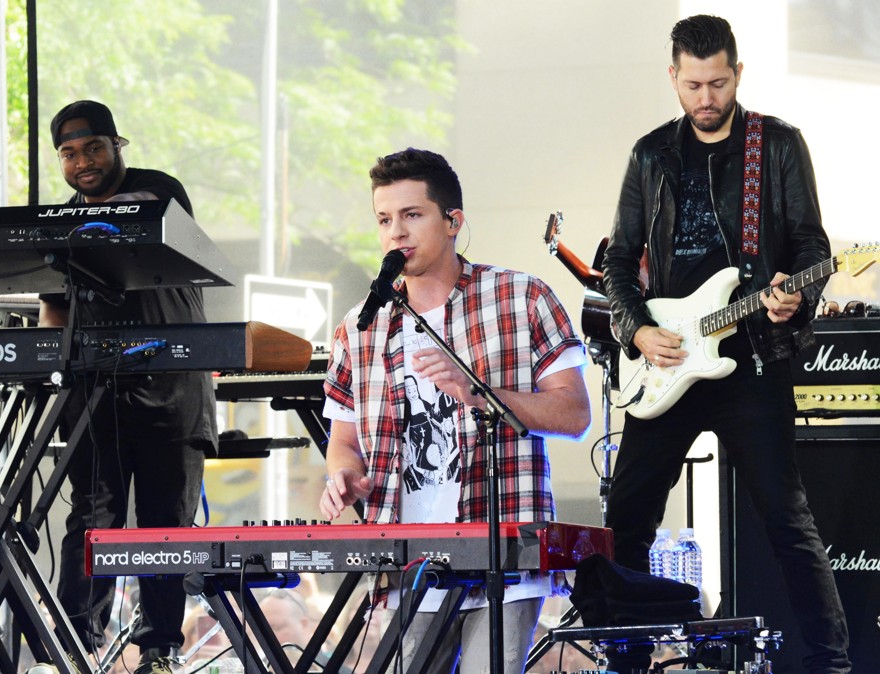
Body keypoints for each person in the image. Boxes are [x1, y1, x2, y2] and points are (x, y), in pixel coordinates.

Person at [602, 15, 851, 674]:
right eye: (693, 85)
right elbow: (620, 263)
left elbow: (810, 246)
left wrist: (795, 295)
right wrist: (636, 328)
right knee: (626, 515)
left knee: (786, 521)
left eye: (717, 83)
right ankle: (623, 659)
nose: (706, 99)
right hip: (669, 362)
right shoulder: (651, 153)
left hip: (751, 361)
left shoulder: (778, 144)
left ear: (737, 74)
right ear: (674, 78)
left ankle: (831, 663)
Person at [318, 148, 591, 674]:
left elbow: (575, 414)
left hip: (503, 552)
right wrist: (344, 476)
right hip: (406, 560)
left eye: (412, 215)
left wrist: (479, 394)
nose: (396, 232)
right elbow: (344, 441)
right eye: (384, 219)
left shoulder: (521, 296)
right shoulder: (360, 325)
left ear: (453, 221)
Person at [40, 100, 218, 674]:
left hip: (173, 386)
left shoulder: (156, 191)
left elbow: (145, 232)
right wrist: (51, 370)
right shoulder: (58, 224)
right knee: (90, 520)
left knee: (165, 522)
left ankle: (159, 651)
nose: (82, 162)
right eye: (68, 153)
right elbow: (53, 311)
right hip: (95, 391)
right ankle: (74, 646)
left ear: (119, 145)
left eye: (93, 147)